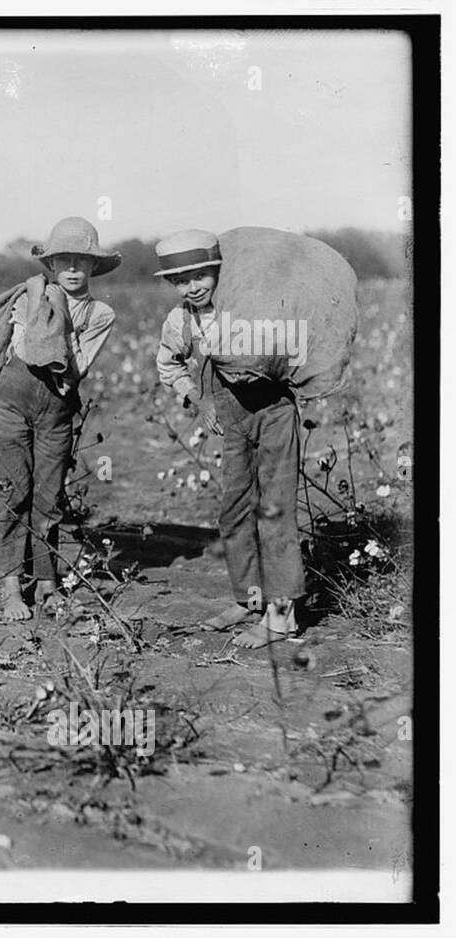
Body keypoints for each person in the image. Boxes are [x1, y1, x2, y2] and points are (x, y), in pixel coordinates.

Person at [154, 229, 303, 647]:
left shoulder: (247, 307)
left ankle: (281, 617)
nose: (193, 286)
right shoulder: (180, 321)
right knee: (235, 511)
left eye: (201, 275)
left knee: (274, 511)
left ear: (218, 271)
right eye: (182, 280)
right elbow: (170, 365)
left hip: (274, 413)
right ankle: (249, 599)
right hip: (233, 420)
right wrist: (197, 399)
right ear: (171, 285)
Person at [0, 216, 118, 621]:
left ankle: (46, 583)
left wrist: (58, 319)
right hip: (13, 398)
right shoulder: (26, 298)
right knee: (11, 491)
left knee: (48, 497)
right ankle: (11, 587)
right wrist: (53, 322)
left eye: (82, 262)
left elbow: (77, 365)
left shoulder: (100, 313)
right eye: (64, 262)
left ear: (95, 266)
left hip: (57, 409)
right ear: (51, 265)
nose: (73, 270)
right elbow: (27, 350)